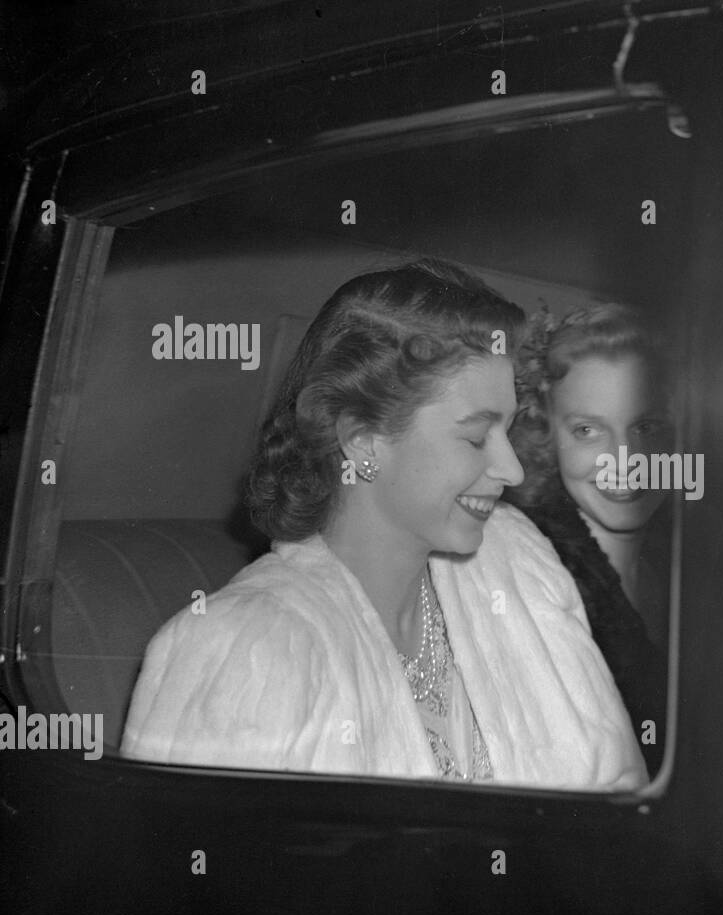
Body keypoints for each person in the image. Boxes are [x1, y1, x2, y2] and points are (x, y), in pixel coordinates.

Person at [121, 260, 647, 791]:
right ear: (364, 439)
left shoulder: (514, 560)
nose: (511, 469)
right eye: (475, 436)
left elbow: (621, 787)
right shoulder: (244, 648)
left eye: (507, 430)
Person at [506, 304, 673, 775]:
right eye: (587, 431)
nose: (624, 459)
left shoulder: (706, 570)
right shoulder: (522, 579)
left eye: (645, 428)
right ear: (545, 433)